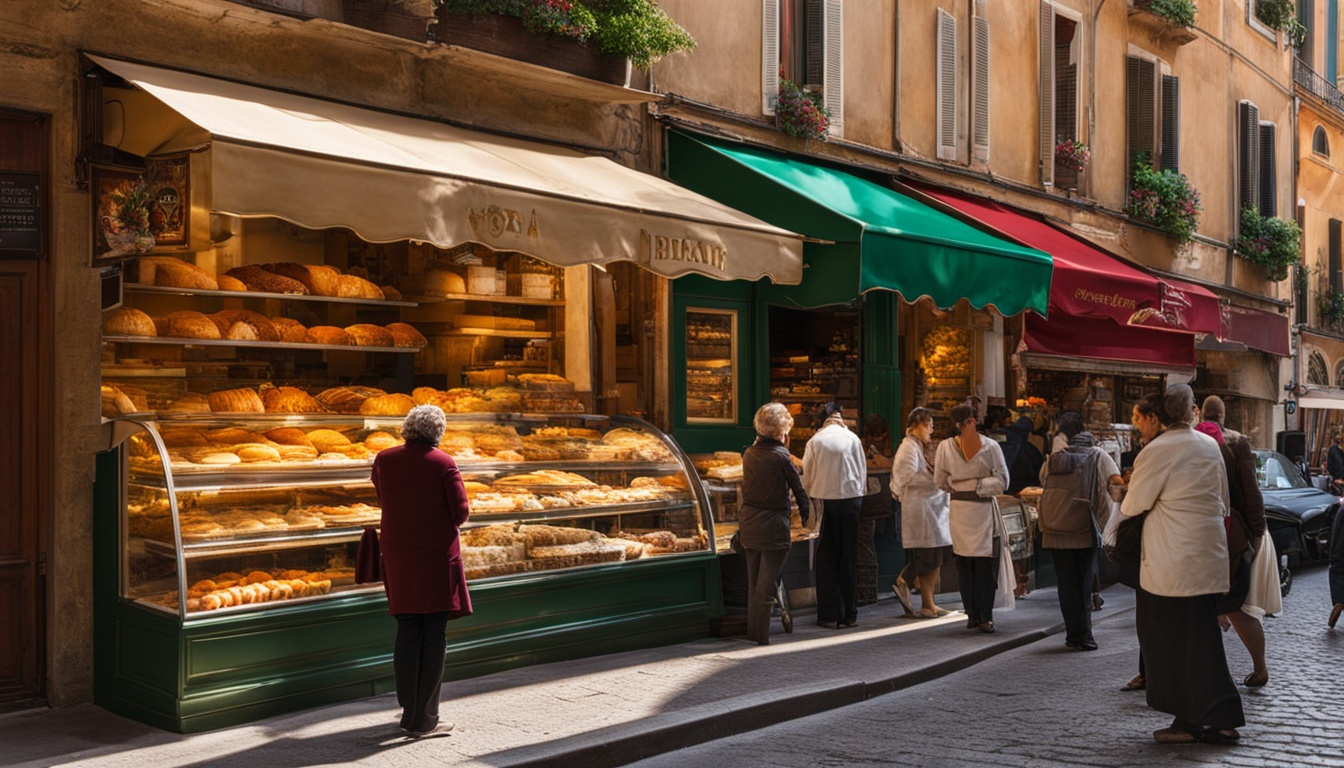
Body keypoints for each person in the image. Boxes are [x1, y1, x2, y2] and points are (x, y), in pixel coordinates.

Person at [1120, 384, 1244, 745]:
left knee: (1169, 644)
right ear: (1191, 412)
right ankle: (1219, 717)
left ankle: (1187, 722)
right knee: (1202, 643)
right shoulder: (1210, 446)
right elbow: (1223, 501)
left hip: (1169, 565)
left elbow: (1133, 505)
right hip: (1206, 559)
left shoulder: (1157, 451)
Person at [371, 404, 473, 737]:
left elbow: (383, 495)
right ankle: (425, 719)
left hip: (398, 556)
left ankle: (408, 711)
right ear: (438, 433)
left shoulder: (384, 459)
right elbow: (460, 512)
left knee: (407, 630)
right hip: (434, 558)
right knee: (435, 635)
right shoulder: (444, 463)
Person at [1198, 395, 1269, 688]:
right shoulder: (1239, 443)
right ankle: (1260, 668)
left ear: (1203, 414)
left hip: (1196, 529)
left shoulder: (1193, 440)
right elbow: (1251, 491)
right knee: (1237, 606)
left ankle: (1207, 673)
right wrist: (1257, 531)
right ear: (1223, 416)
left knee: (1201, 605)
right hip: (1232, 530)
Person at [1038, 411, 1120, 652]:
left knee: (1066, 584)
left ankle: (1072, 634)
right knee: (1084, 583)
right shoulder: (1099, 456)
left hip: (1054, 528)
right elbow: (1115, 482)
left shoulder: (1055, 458)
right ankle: (1084, 636)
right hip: (1083, 527)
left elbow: (1042, 479)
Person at [934, 404, 1010, 634]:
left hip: (964, 509)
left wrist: (960, 486)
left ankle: (976, 615)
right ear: (962, 423)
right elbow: (1002, 480)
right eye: (970, 420)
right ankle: (982, 616)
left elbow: (941, 480)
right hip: (977, 510)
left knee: (968, 565)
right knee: (979, 566)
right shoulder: (990, 447)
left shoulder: (946, 448)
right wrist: (980, 485)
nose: (974, 423)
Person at [739, 403, 811, 645]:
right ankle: (760, 639)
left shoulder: (749, 453)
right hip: (773, 527)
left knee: (754, 584)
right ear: (782, 432)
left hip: (749, 525)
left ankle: (753, 634)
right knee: (767, 586)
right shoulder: (781, 456)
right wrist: (806, 514)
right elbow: (799, 489)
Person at [803, 402, 867, 629]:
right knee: (848, 558)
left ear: (823, 419)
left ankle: (828, 615)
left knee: (826, 558)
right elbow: (862, 473)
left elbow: (807, 476)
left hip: (825, 501)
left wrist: (809, 500)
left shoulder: (815, 441)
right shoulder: (853, 439)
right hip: (851, 501)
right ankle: (849, 614)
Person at [890, 407, 953, 618]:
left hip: (932, 508)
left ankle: (928, 603)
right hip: (921, 509)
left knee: (934, 555)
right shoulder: (908, 447)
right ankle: (908, 583)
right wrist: (935, 483)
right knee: (928, 555)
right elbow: (905, 477)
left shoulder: (921, 446)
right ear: (916, 425)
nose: (931, 430)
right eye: (928, 425)